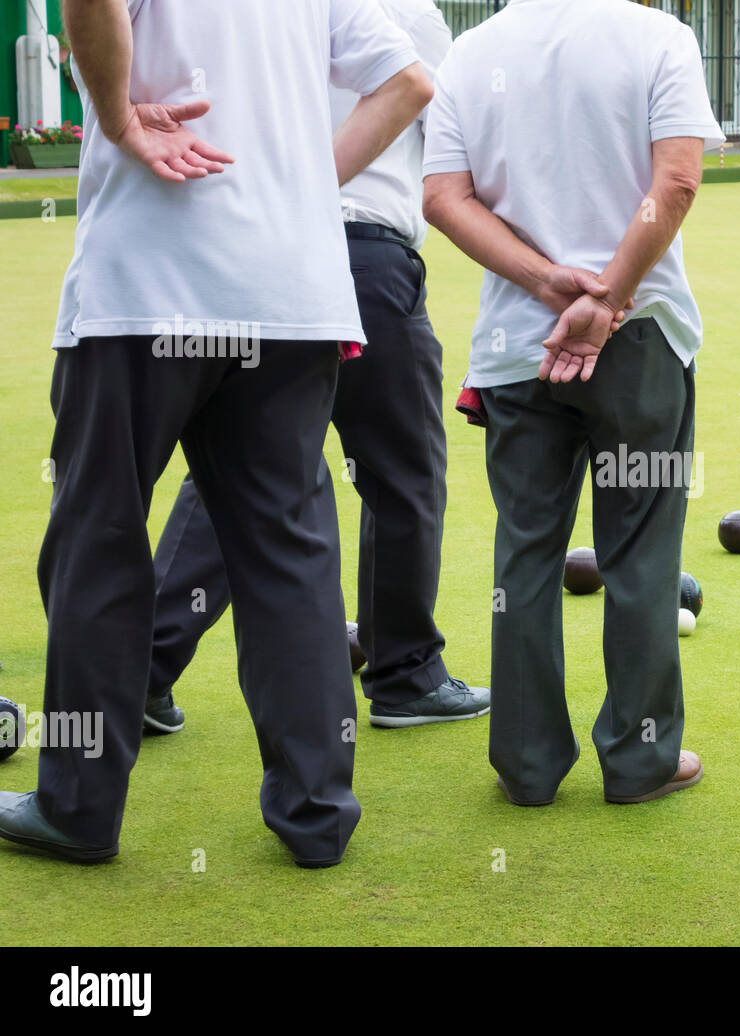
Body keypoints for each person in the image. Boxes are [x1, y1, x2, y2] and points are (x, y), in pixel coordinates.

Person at [0, 0, 432, 868]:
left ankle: (79, 808)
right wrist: (300, 193)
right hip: (290, 296)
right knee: (290, 554)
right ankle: (317, 815)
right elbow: (409, 81)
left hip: (146, 290)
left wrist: (119, 119)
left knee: (98, 539)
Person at [143, 0, 488, 738]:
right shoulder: (411, 18)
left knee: (238, 473)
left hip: (255, 251)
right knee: (403, 472)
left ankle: (145, 666)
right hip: (362, 251)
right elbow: (464, 152)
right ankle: (406, 673)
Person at [422, 0, 723, 806]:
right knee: (643, 554)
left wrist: (545, 283)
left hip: (519, 349)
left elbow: (445, 198)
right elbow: (680, 179)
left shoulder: (472, 50)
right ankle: (638, 762)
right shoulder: (659, 35)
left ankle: (525, 765)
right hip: (640, 338)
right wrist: (607, 297)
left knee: (525, 554)